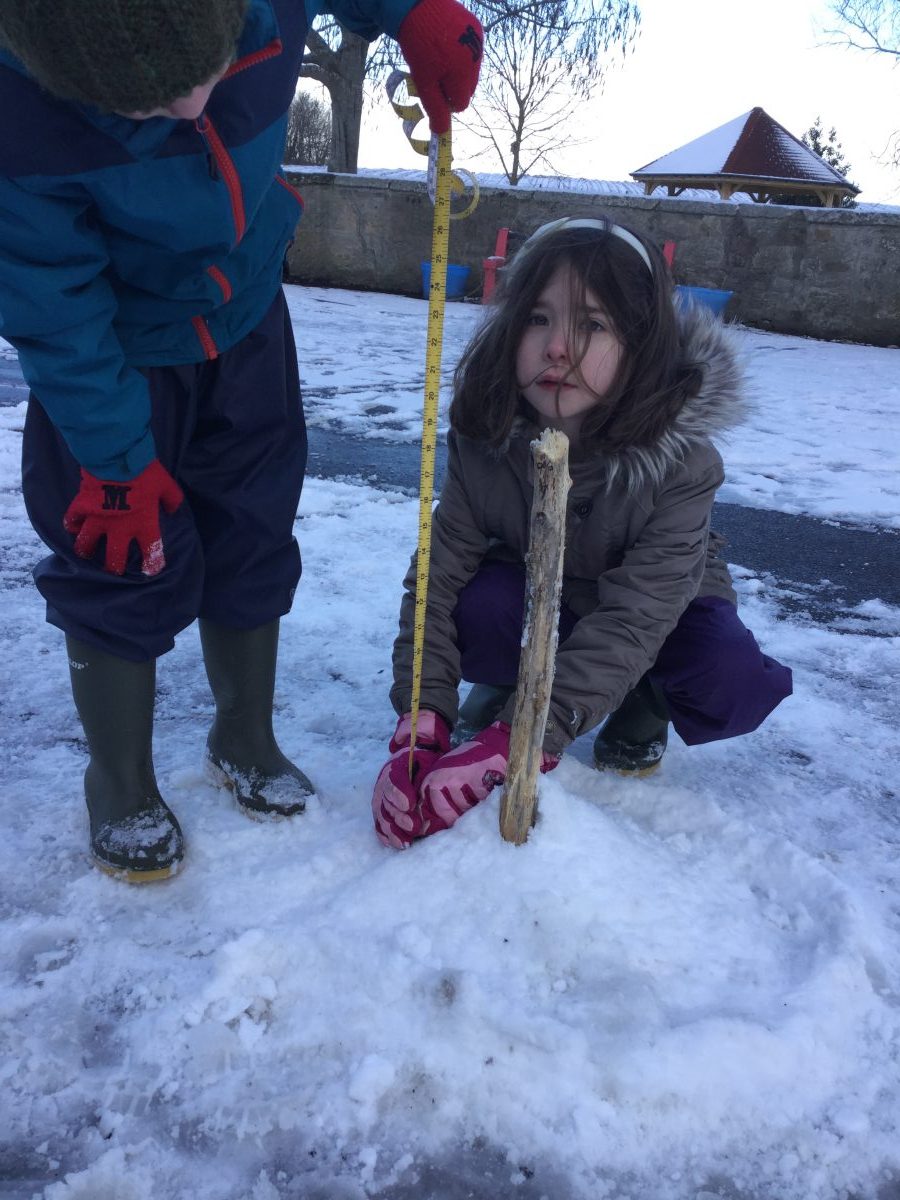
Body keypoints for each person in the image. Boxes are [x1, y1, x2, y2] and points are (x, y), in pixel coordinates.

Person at [0, 0, 483, 881]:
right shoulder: (17, 117)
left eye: (209, 74)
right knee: (120, 552)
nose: (191, 112)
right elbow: (50, 306)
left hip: (248, 311)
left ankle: (244, 731)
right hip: (117, 351)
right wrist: (115, 461)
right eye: (144, 107)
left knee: (255, 523)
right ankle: (120, 777)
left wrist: (411, 13)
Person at [372, 215, 793, 850]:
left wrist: (527, 739)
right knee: (477, 605)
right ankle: (512, 686)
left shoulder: (683, 461)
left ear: (640, 344)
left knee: (725, 672)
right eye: (538, 319)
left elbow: (636, 615)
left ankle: (640, 707)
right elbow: (438, 572)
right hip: (536, 587)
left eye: (592, 325)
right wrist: (419, 719)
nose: (557, 348)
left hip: (654, 610)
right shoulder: (486, 434)